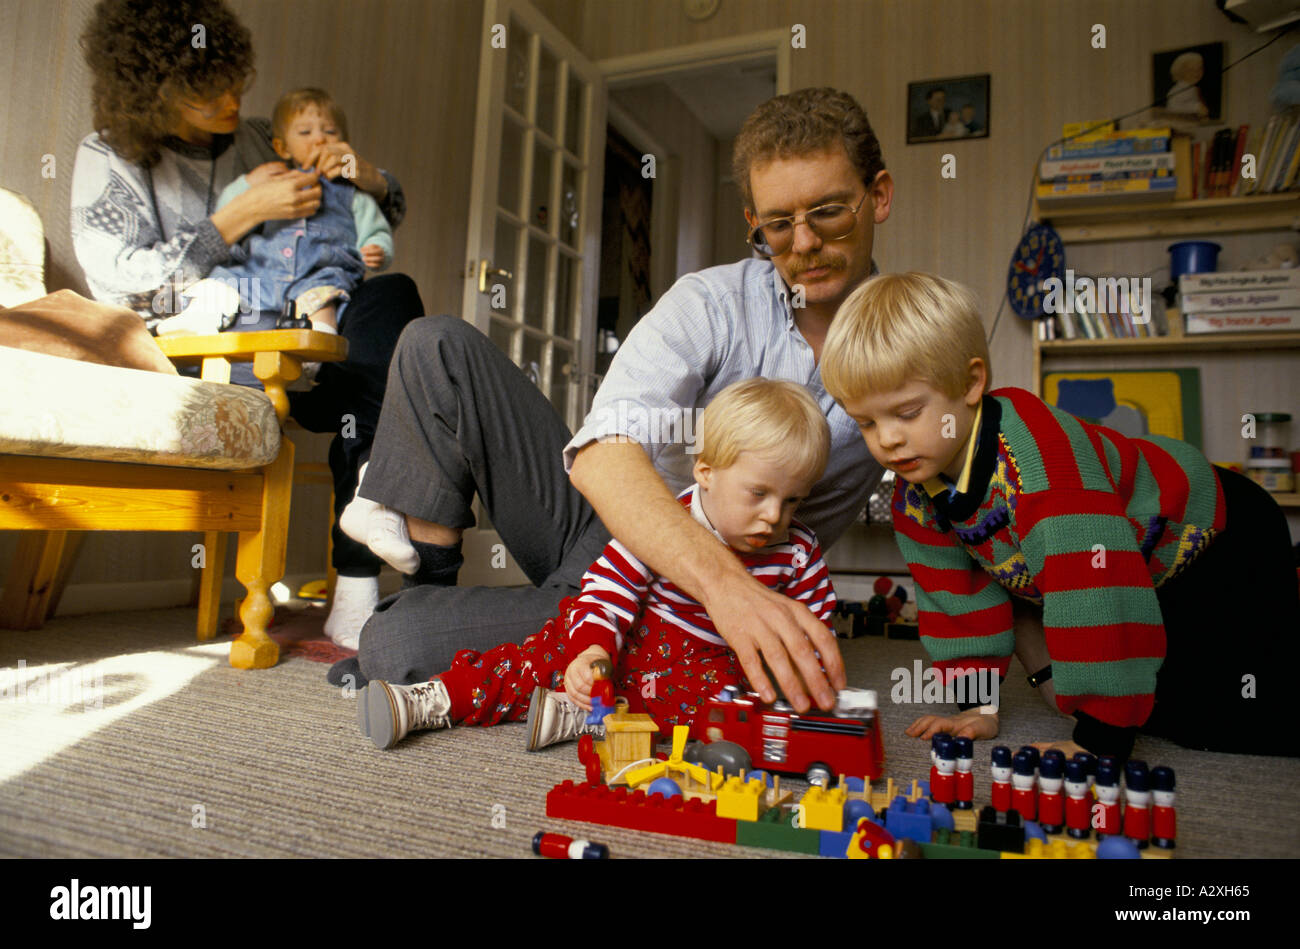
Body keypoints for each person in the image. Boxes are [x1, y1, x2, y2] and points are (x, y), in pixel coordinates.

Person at [333, 87, 894, 716]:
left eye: (828, 212)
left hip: (674, 609)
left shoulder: (908, 346)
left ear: (878, 196)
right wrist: (724, 585)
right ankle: (434, 594)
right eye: (777, 224)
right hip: (617, 526)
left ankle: (449, 619)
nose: (804, 243)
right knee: (435, 343)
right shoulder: (712, 304)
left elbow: (972, 472)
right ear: (752, 223)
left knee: (393, 644)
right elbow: (602, 454)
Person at [819, 271, 1300, 761]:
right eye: (866, 423)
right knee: (1161, 705)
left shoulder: (1042, 462)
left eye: (905, 413)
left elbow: (1098, 592)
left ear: (970, 382)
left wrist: (1099, 741)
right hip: (1147, 564)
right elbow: (957, 603)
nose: (887, 440)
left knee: (1240, 719)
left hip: (1219, 530)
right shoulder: (915, 493)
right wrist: (978, 707)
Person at [70, 0, 425, 646]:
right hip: (212, 347)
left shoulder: (261, 136)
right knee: (371, 383)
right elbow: (121, 286)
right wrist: (237, 216)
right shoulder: (111, 157)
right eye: (210, 97)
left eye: (236, 83)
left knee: (392, 303)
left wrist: (368, 176)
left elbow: (368, 212)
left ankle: (360, 561)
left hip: (305, 336)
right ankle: (360, 566)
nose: (234, 103)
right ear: (152, 96)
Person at [354, 379, 836, 750]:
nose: (775, 516)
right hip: (628, 641)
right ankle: (433, 700)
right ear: (706, 473)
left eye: (792, 500)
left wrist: (795, 682)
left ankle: (585, 716)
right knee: (531, 659)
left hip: (705, 673)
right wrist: (591, 651)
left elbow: (814, 632)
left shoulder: (797, 551)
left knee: (724, 711)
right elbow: (607, 591)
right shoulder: (665, 520)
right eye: (758, 494)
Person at [159, 87, 393, 343]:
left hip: (316, 275)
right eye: (305, 132)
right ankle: (196, 322)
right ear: (282, 148)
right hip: (259, 272)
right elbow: (226, 207)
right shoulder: (269, 178)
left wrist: (377, 248)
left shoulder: (351, 193)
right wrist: (248, 184)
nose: (320, 140)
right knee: (221, 283)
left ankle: (313, 357)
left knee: (323, 304)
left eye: (330, 132)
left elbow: (376, 228)